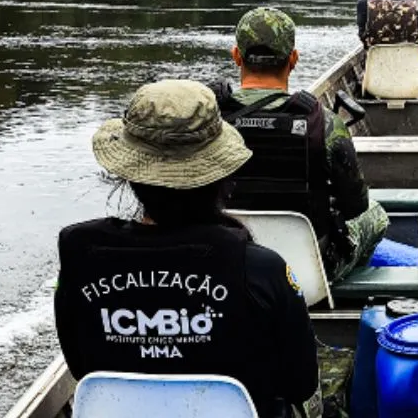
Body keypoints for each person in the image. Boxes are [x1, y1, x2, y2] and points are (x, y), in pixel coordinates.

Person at [54, 80, 319, 418]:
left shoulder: (79, 255)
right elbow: (300, 383)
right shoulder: (261, 269)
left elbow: (80, 366)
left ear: (131, 175)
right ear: (219, 176)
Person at [215, 6, 388, 281]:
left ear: (237, 56)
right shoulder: (326, 123)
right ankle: (342, 293)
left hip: (224, 261)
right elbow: (355, 205)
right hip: (307, 273)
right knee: (376, 215)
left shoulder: (208, 120)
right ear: (293, 58)